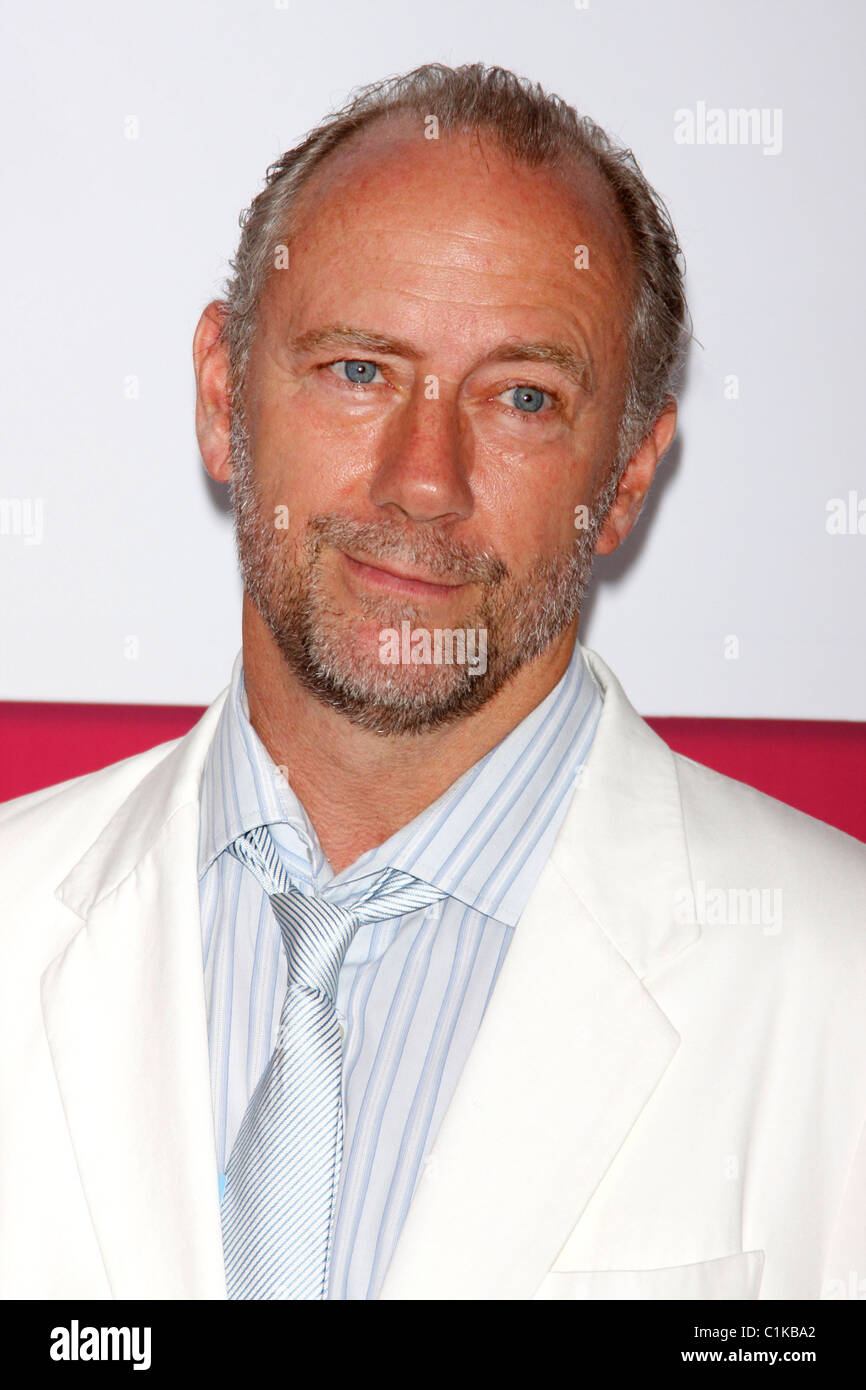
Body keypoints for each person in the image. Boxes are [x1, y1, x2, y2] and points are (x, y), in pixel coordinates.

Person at [1, 62, 864, 1303]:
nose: (422, 478)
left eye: (521, 397)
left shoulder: (835, 988)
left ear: (625, 477)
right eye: (357, 369)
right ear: (219, 400)